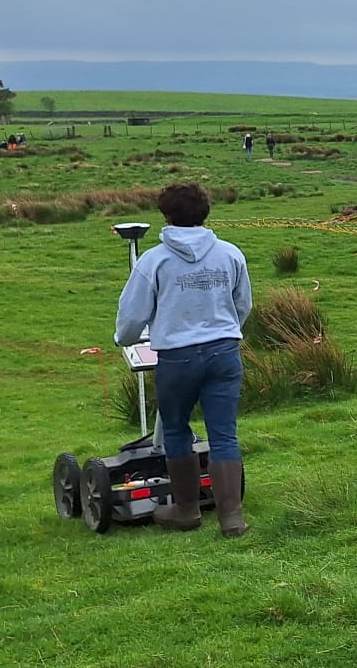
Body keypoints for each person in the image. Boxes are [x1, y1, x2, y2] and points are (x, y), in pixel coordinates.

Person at [115, 182, 253, 536]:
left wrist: (125, 340)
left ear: (166, 216)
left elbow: (132, 317)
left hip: (177, 357)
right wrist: (224, 329)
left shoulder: (154, 260)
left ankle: (187, 509)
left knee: (175, 428)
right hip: (224, 352)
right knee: (224, 434)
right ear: (205, 213)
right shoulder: (230, 254)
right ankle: (231, 518)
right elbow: (243, 305)